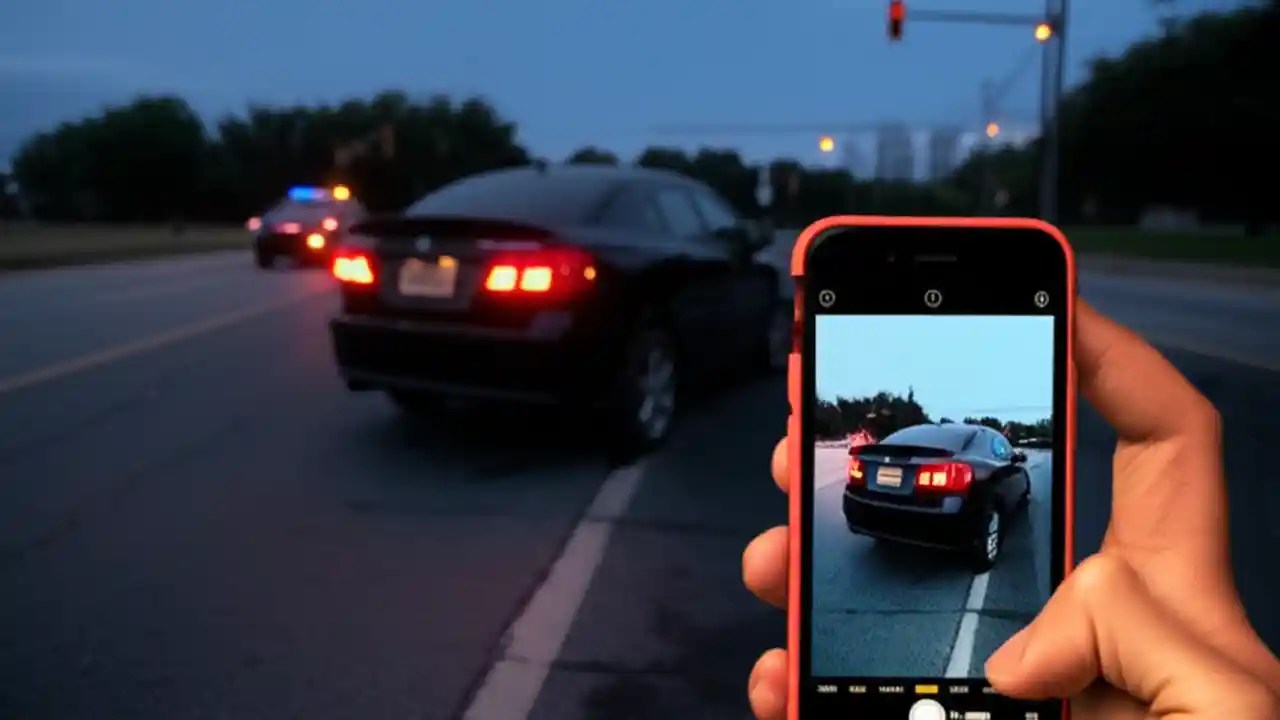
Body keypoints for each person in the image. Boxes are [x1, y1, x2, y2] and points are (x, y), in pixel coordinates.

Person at [741, 301, 1280, 718]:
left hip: (876, 504)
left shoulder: (923, 459)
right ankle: (962, 538)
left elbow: (889, 471)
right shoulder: (994, 461)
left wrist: (873, 481)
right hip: (928, 504)